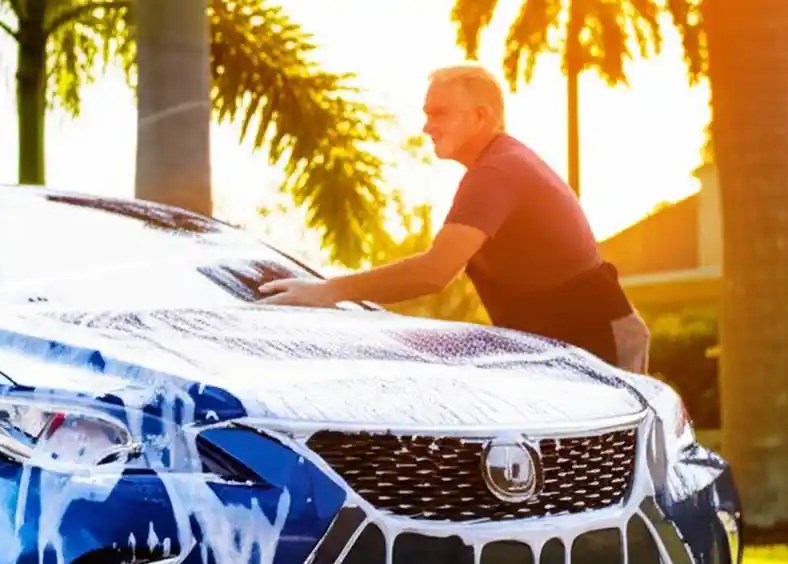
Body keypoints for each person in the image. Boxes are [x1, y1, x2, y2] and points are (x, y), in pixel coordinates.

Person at [259, 64, 651, 373]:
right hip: (567, 344)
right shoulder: (500, 165)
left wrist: (326, 291)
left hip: (599, 343)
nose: (428, 126)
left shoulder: (497, 172)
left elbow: (434, 271)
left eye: (440, 113)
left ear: (481, 116)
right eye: (427, 114)